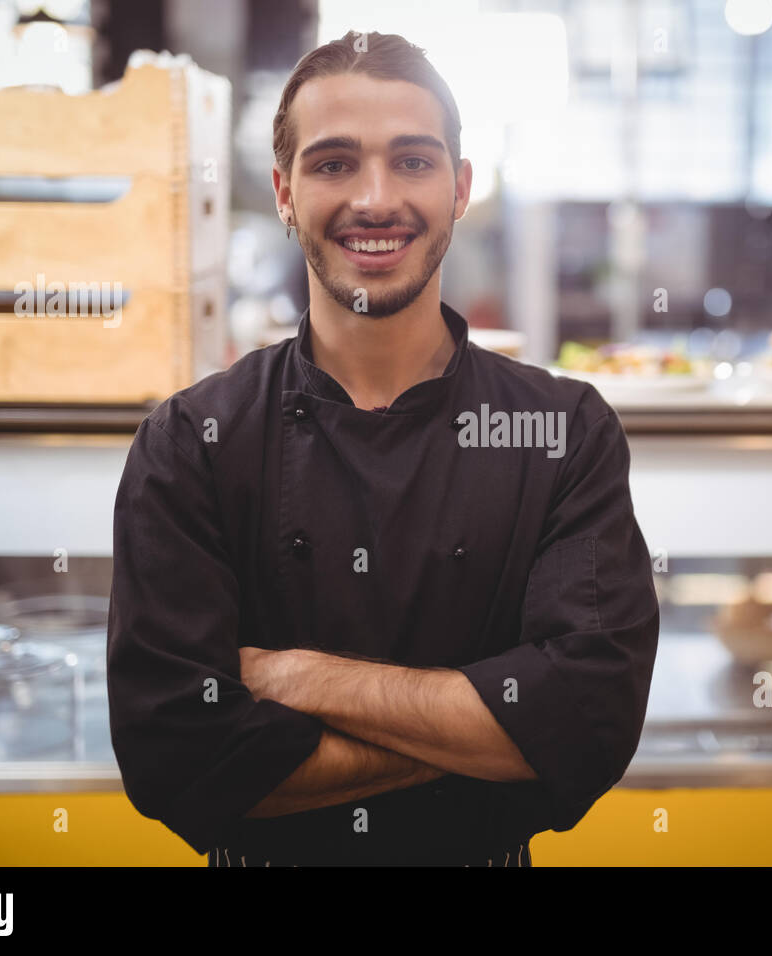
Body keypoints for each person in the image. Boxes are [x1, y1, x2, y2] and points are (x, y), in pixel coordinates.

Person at [106, 30, 660, 867]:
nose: (375, 199)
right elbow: (173, 753)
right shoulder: (193, 440)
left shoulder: (565, 432)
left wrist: (298, 681)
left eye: (412, 161)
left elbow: (589, 717)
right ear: (285, 193)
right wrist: (493, 733)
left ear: (460, 187)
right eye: (334, 164)